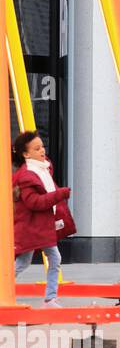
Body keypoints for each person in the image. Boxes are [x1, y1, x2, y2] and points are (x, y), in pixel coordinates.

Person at [12, 131, 73, 308]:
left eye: (42, 146)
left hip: (42, 227)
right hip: (31, 228)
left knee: (54, 258)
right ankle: (6, 291)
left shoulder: (43, 168)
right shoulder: (27, 176)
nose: (42, 151)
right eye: (37, 148)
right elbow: (34, 203)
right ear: (26, 154)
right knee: (23, 263)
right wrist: (58, 194)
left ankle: (50, 298)